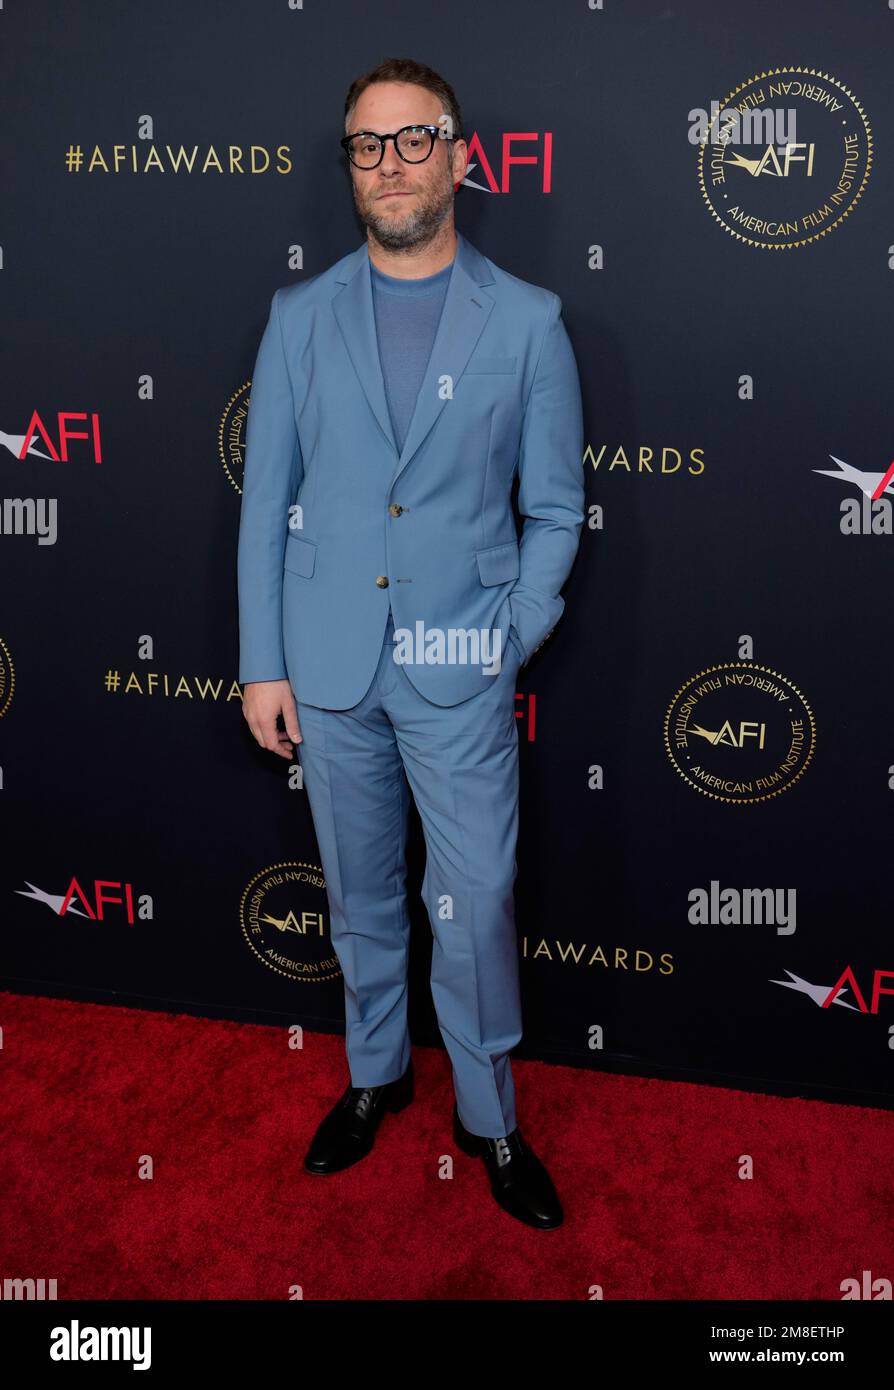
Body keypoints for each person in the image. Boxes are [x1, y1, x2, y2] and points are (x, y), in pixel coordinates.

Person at [237, 56, 585, 1230]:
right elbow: (264, 501)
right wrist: (262, 661)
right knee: (359, 899)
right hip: (327, 666)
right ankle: (374, 1073)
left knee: (476, 897)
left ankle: (489, 1117)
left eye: (414, 139)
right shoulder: (297, 317)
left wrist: (513, 634)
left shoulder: (530, 322)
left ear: (459, 153)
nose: (392, 163)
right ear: (350, 166)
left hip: (461, 664)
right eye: (368, 145)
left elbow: (553, 509)